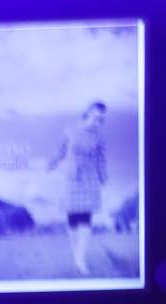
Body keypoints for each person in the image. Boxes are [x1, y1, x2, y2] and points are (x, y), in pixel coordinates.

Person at [47, 102, 109, 276]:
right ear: (88, 114)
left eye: (102, 120)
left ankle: (81, 259)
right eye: (96, 118)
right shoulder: (70, 130)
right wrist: (51, 164)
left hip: (90, 178)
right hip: (71, 177)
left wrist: (104, 179)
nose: (98, 122)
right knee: (72, 219)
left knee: (86, 218)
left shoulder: (99, 138)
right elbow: (60, 151)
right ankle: (77, 256)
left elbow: (101, 160)